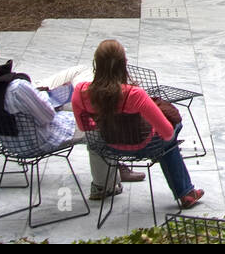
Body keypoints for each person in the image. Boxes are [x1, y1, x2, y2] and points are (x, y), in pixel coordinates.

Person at [0, 30, 119, 200]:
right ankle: (104, 186)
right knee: (101, 128)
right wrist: (43, 95)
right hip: (37, 140)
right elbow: (48, 116)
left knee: (77, 99)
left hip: (6, 140)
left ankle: (114, 168)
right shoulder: (16, 88)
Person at [72, 39, 203, 209]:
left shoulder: (81, 92)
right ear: (124, 64)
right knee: (170, 137)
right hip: (143, 146)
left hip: (108, 146)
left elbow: (84, 128)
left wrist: (106, 125)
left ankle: (102, 186)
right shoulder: (134, 94)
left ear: (96, 64)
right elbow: (168, 132)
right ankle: (185, 193)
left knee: (98, 141)